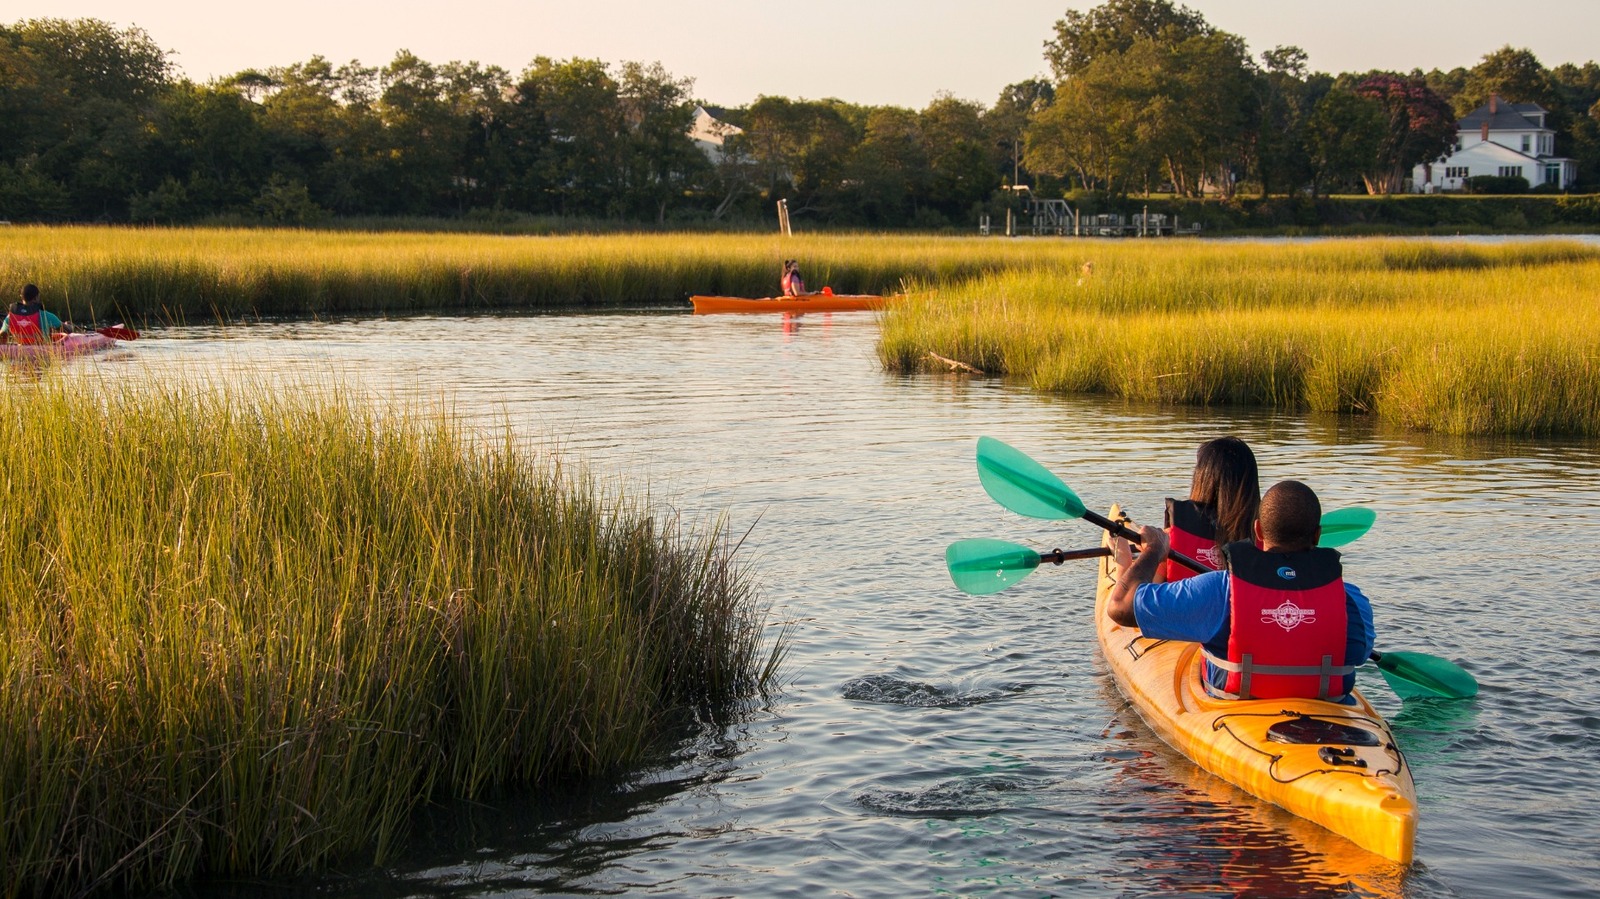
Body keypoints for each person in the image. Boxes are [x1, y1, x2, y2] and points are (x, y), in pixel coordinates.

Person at [1106, 480, 1375, 702]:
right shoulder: (1352, 601)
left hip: (1235, 712)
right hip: (1329, 720)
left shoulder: (1220, 590)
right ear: (1317, 536)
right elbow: (1359, 653)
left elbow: (1120, 607)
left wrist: (1154, 550)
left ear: (1257, 530)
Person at [1163, 436, 1260, 582]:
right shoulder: (1271, 539)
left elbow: (1138, 599)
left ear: (1202, 479)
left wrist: (1149, 551)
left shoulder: (1168, 538)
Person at [2, 284, 71, 344]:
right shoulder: (46, 315)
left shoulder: (10, 316)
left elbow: (2, 334)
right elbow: (68, 331)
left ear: (21, 297)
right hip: (42, 351)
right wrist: (68, 325)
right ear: (35, 298)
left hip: (20, 350)